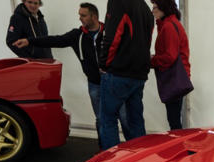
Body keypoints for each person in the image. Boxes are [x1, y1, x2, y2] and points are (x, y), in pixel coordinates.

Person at [12, 2, 129, 146]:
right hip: (95, 84)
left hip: (116, 82)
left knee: (125, 117)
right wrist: (29, 41)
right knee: (101, 118)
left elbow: (126, 50)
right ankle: (105, 152)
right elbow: (55, 39)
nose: (80, 18)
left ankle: (133, 152)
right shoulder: (77, 35)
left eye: (83, 15)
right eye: (79, 15)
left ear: (94, 17)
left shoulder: (110, 32)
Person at [97, 0, 154, 150]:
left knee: (108, 119)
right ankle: (139, 160)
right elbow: (147, 42)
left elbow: (112, 37)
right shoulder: (146, 9)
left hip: (119, 72)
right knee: (136, 120)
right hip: (138, 74)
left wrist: (103, 64)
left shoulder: (118, 2)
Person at [150, 0, 190, 130]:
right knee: (174, 118)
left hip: (174, 78)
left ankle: (180, 147)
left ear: (164, 8)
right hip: (177, 76)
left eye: (155, 7)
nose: (152, 11)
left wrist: (151, 61)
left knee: (173, 120)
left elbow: (170, 56)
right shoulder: (170, 24)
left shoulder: (169, 26)